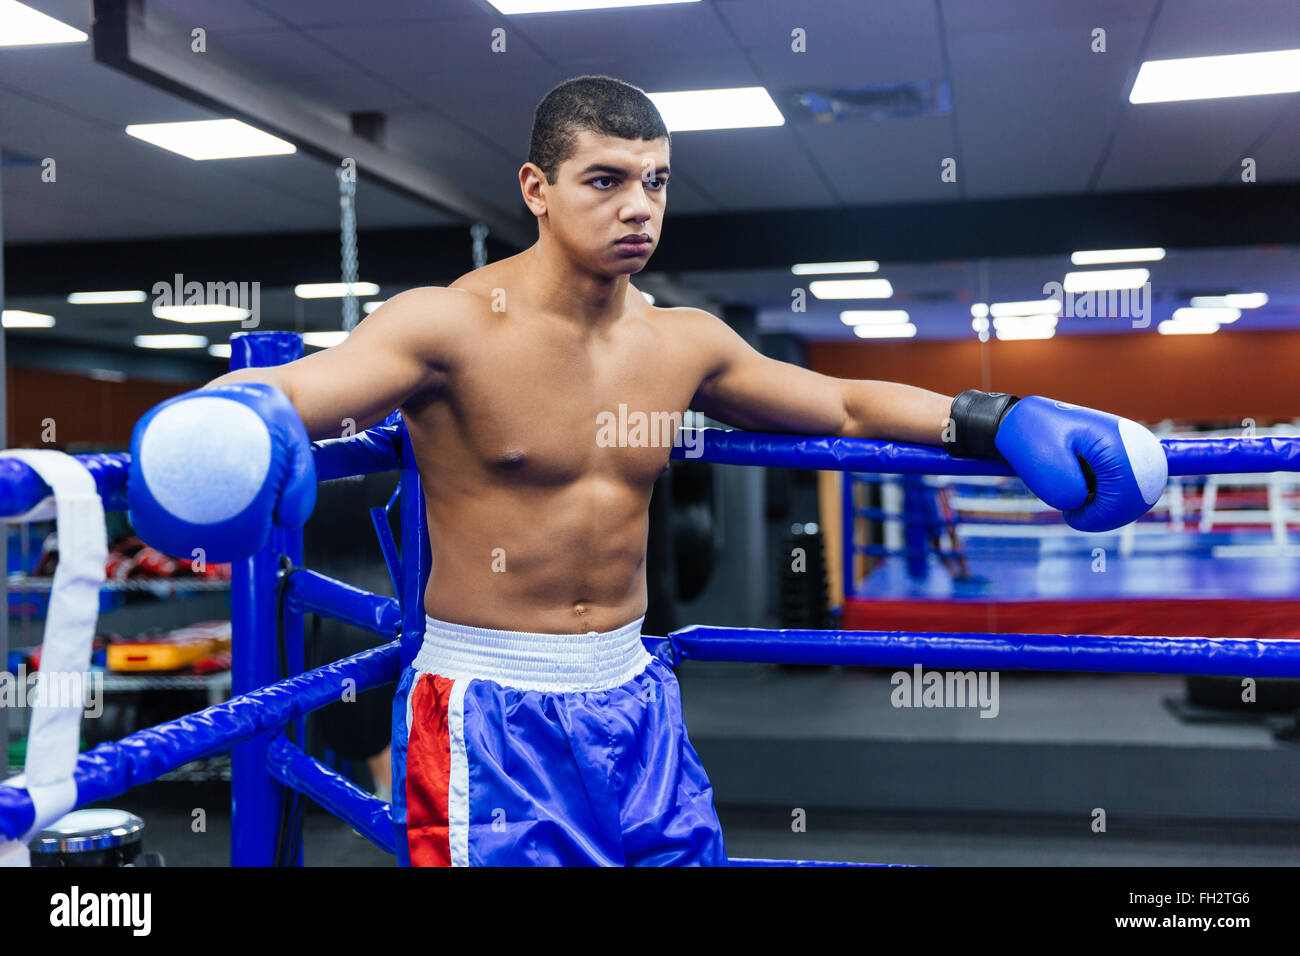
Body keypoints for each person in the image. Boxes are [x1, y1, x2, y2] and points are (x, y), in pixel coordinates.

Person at [124, 75, 1168, 866]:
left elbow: (843, 403)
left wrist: (999, 416)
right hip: (492, 702)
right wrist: (233, 422)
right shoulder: (444, 324)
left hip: (635, 692)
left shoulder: (683, 341)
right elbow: (308, 391)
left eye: (655, 181)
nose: (638, 206)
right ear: (537, 188)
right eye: (606, 181)